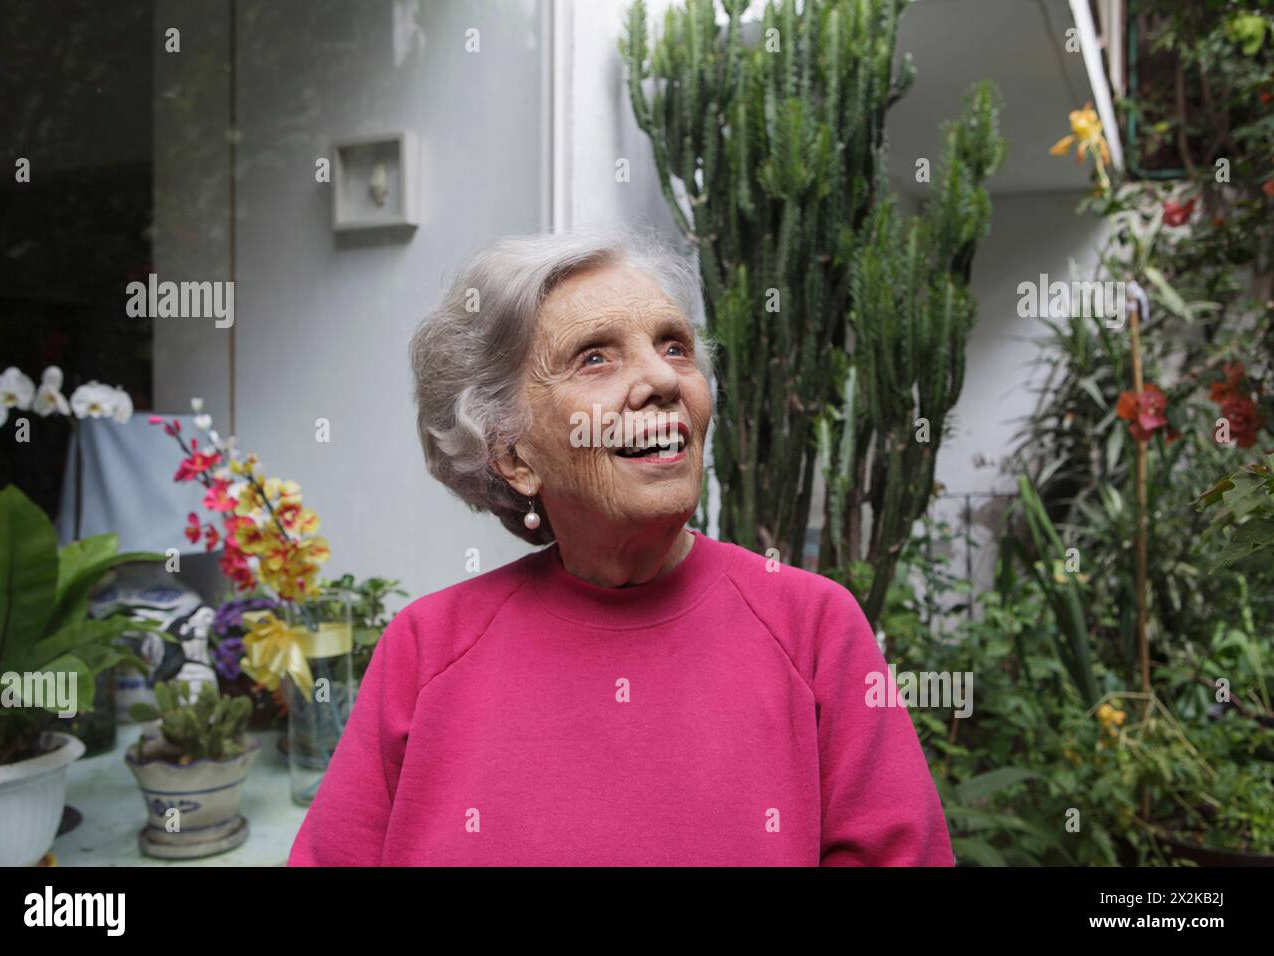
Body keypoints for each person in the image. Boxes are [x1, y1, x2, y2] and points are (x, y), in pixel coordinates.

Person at [287, 225, 955, 866]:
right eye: (595, 357)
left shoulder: (814, 629)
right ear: (512, 454)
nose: (663, 381)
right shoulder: (425, 649)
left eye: (674, 347)